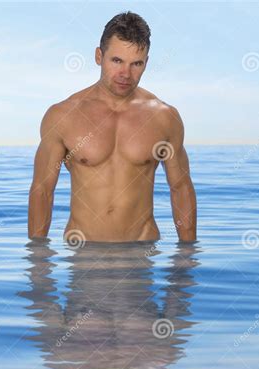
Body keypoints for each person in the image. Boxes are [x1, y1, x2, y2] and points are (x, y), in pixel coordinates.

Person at [28, 11, 196, 243]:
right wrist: (38, 261)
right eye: (116, 61)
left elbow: (180, 187)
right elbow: (43, 190)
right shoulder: (63, 115)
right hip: (84, 251)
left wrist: (186, 257)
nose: (125, 74)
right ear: (99, 56)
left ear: (146, 63)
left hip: (141, 252)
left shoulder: (164, 117)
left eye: (136, 64)